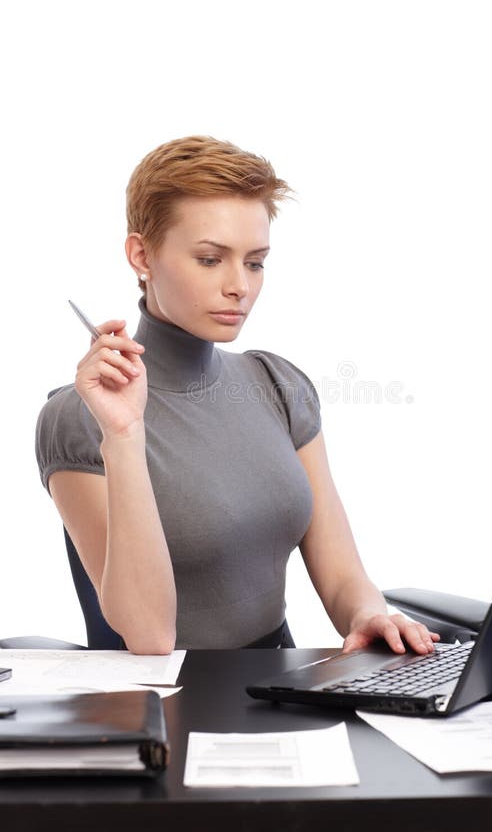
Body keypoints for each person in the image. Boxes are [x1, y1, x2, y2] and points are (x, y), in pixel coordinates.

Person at [35, 135, 440, 656]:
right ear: (142, 255)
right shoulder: (81, 417)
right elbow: (150, 636)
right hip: (172, 707)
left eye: (255, 262)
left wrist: (369, 615)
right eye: (210, 259)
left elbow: (342, 576)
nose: (239, 286)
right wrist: (124, 434)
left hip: (282, 688)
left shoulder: (276, 383)